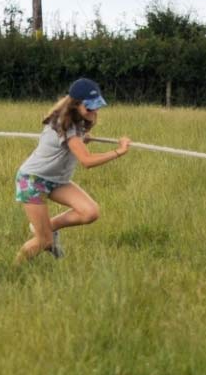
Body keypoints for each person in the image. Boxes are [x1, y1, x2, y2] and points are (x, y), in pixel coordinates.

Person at [14, 77, 130, 263]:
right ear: (76, 105)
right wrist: (119, 151)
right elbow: (87, 161)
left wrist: (82, 137)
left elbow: (73, 140)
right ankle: (14, 270)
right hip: (32, 181)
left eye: (97, 105)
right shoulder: (66, 125)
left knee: (90, 212)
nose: (95, 111)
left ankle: (46, 227)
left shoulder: (75, 123)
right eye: (90, 107)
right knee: (44, 241)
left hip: (56, 180)